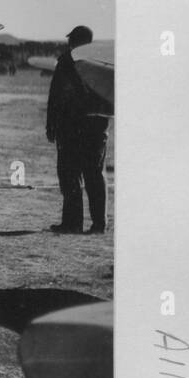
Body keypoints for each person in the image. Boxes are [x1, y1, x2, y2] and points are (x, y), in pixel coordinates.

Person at [47, 25, 109, 234]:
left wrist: (52, 123)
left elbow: (55, 94)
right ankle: (98, 224)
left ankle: (73, 223)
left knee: (71, 175)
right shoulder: (103, 60)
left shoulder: (67, 60)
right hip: (96, 128)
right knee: (94, 176)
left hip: (71, 127)